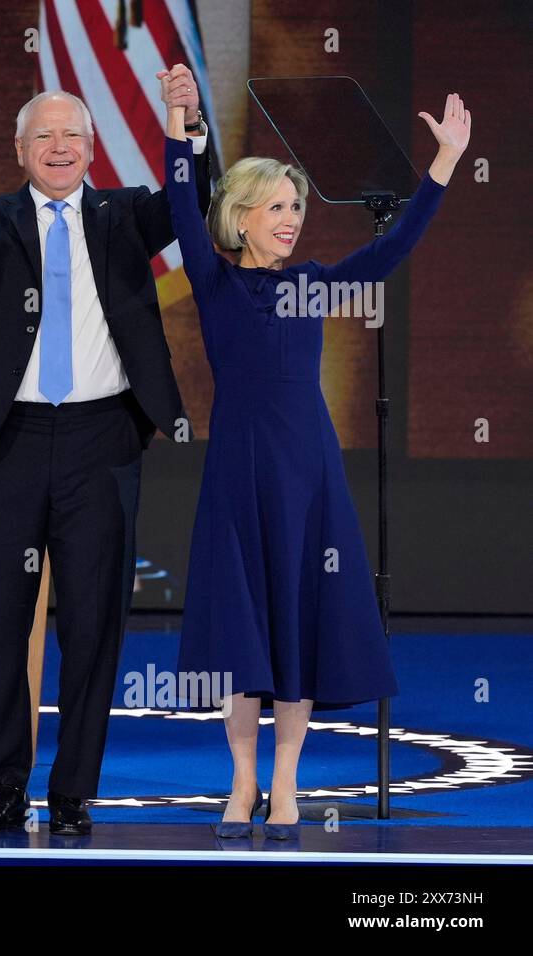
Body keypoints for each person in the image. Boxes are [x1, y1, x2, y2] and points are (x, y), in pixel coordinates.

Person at [0, 70, 213, 835]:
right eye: (45, 135)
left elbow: (189, 203)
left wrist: (185, 124)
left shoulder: (126, 215)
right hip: (9, 438)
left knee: (95, 622)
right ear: (20, 150)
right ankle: (2, 787)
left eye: (72, 134)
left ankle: (73, 790)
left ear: (92, 146)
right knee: (1, 619)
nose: (60, 146)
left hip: (102, 439)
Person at [164, 88, 470, 839]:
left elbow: (389, 251)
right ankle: (240, 784)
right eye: (275, 207)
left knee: (298, 624)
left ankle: (287, 783)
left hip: (308, 478)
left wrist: (444, 165)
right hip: (238, 474)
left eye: (295, 207)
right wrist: (182, 138)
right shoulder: (215, 281)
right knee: (242, 637)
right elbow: (181, 207)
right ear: (240, 218)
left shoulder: (312, 286)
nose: (292, 219)